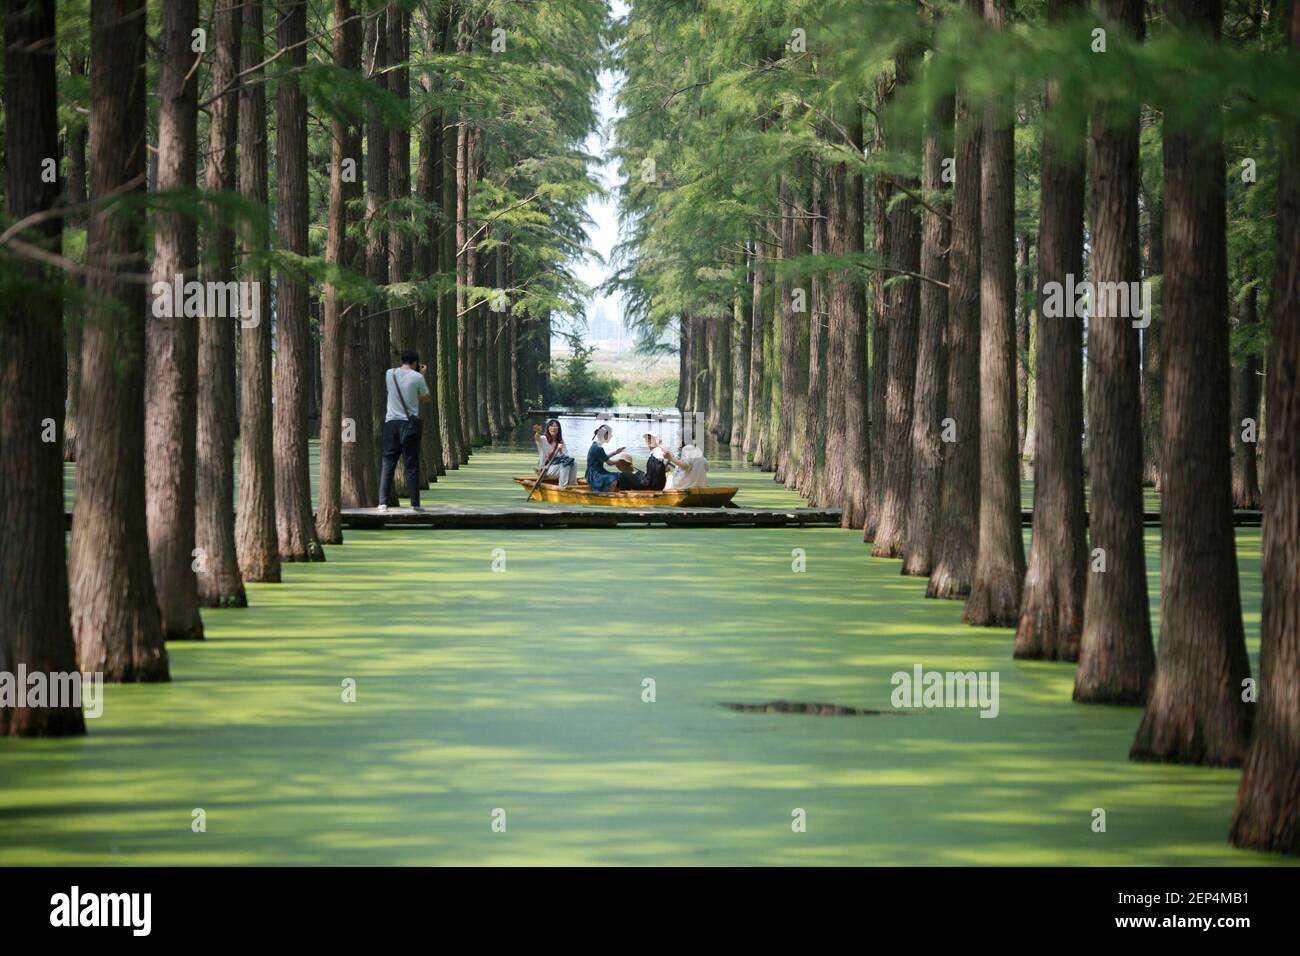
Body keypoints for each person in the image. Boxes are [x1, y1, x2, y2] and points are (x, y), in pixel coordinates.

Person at [377, 349, 431, 512]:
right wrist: (422, 375)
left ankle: (382, 503)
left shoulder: (389, 374)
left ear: (402, 360)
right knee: (411, 465)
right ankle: (415, 504)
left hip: (391, 423)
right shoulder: (418, 377)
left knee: (388, 463)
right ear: (415, 362)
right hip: (409, 425)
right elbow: (426, 399)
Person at [585, 424, 639, 492]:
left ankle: (614, 492)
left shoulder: (595, 444)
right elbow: (609, 463)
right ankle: (609, 496)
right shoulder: (598, 448)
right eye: (610, 434)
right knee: (613, 479)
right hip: (595, 475)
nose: (611, 436)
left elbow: (603, 457)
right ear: (605, 434)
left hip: (594, 473)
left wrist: (615, 452)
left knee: (618, 475)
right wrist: (621, 461)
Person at [533, 419, 576, 486]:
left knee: (573, 463)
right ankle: (562, 486)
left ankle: (572, 485)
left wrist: (560, 450)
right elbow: (537, 438)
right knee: (564, 464)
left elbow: (565, 457)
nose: (553, 428)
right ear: (548, 428)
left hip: (556, 467)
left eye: (555, 426)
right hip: (545, 469)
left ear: (558, 429)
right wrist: (537, 432)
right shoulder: (543, 439)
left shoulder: (561, 441)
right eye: (551, 426)